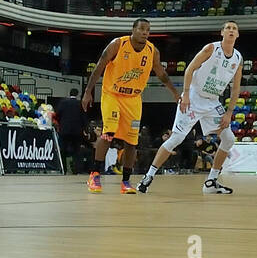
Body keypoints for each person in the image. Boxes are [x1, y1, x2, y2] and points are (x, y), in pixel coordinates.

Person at [139, 20, 242, 194]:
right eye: (228, 28)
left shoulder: (238, 58)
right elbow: (189, 69)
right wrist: (186, 94)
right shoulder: (211, 48)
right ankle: (148, 176)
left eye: (234, 29)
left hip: (212, 102)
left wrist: (229, 112)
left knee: (229, 139)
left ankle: (211, 182)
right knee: (176, 139)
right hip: (194, 97)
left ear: (237, 35)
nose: (231, 31)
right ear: (222, 33)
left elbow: (236, 88)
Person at [82, 18, 178, 193]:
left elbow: (162, 74)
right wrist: (88, 91)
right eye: (141, 29)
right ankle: (94, 175)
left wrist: (175, 92)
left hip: (133, 98)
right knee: (109, 132)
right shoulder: (117, 44)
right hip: (112, 94)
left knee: (132, 141)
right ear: (133, 30)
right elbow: (99, 66)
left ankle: (125, 182)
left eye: (148, 30)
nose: (145, 32)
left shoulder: (152, 51)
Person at [54, 87, 87, 174]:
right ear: (77, 94)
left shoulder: (63, 103)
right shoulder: (80, 104)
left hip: (65, 130)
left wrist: (61, 123)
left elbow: (57, 114)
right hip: (77, 131)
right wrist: (85, 128)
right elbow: (84, 117)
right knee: (77, 151)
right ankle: (78, 170)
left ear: (69, 93)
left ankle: (63, 169)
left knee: (63, 150)